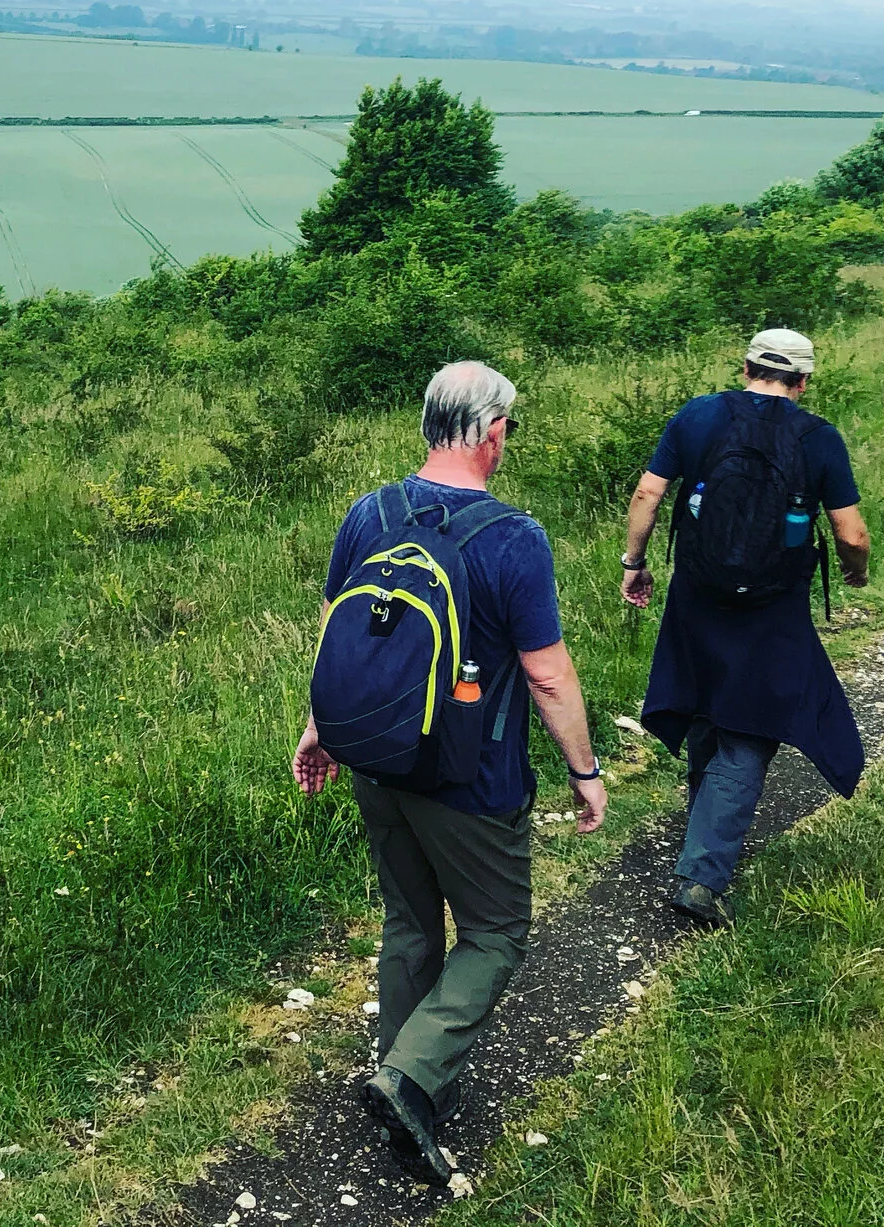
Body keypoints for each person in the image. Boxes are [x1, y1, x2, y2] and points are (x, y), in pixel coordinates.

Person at [293, 360, 606, 1186]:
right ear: (493, 431)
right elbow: (546, 675)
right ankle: (410, 1076)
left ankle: (416, 1080)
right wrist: (586, 767)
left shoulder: (370, 511)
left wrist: (321, 728)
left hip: (377, 761)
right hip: (468, 779)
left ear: (429, 422)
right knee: (498, 932)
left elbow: (343, 634)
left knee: (409, 920)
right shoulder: (513, 537)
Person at [618, 328, 871, 927]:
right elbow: (851, 534)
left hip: (697, 592)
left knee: (707, 701)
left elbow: (647, 495)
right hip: (773, 604)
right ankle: (702, 877)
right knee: (751, 726)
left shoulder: (698, 416)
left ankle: (703, 829)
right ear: (804, 382)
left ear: (747, 367)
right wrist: (855, 575)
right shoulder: (818, 436)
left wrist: (635, 564)